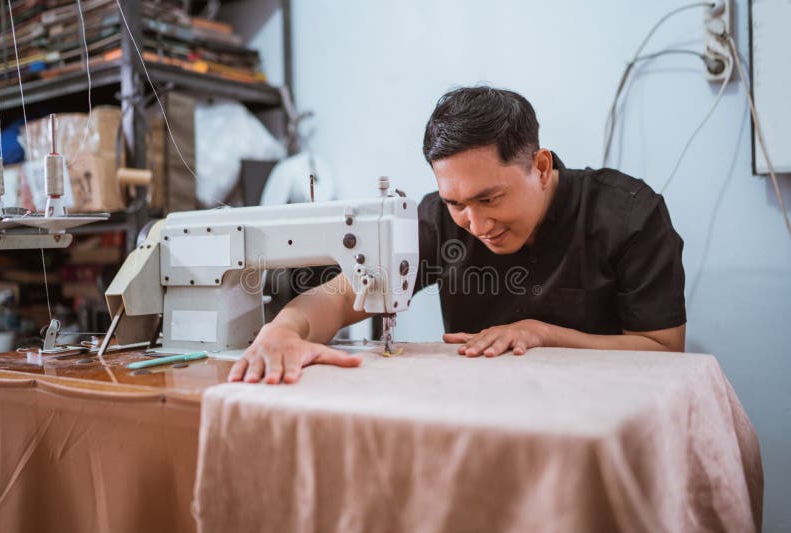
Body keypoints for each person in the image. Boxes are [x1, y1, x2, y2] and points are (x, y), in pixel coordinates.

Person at [228, 86, 686, 385]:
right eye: (456, 202)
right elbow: (340, 295)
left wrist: (542, 333)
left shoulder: (629, 215)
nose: (476, 224)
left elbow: (663, 350)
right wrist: (284, 329)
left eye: (490, 199)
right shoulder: (438, 219)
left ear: (541, 167)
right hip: (481, 417)